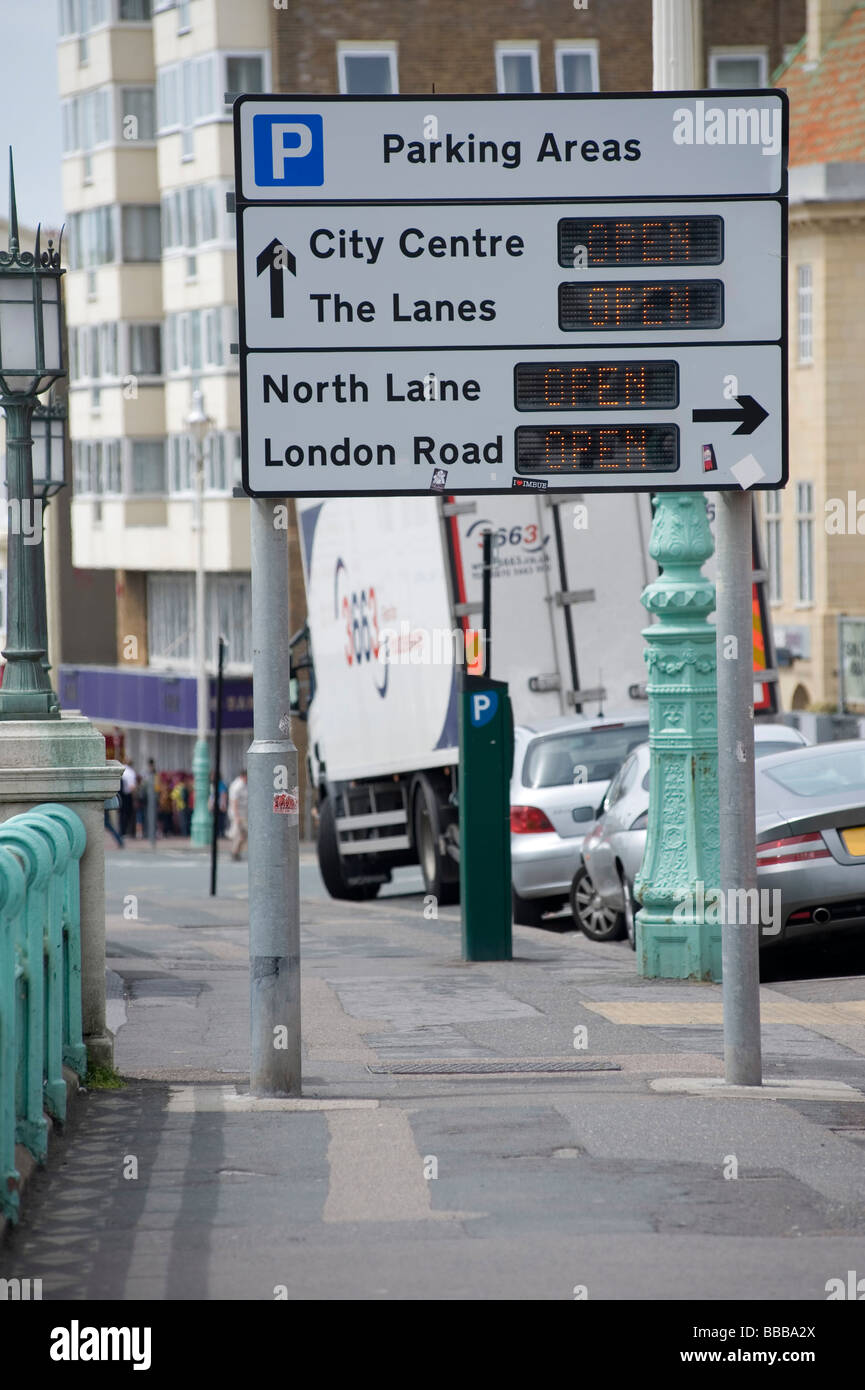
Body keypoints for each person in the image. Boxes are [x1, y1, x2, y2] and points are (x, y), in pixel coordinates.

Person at [227, 769, 248, 861]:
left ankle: (236, 851)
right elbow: (233, 802)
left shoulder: (245, 784)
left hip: (244, 813)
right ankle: (234, 852)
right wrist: (237, 817)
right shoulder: (237, 786)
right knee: (239, 834)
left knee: (243, 834)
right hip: (238, 813)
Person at [120, 760, 137, 837]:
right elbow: (132, 787)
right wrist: (134, 799)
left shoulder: (122, 770)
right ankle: (129, 832)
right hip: (127, 796)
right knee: (129, 814)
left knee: (122, 814)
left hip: (120, 796)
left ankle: (122, 831)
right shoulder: (131, 772)